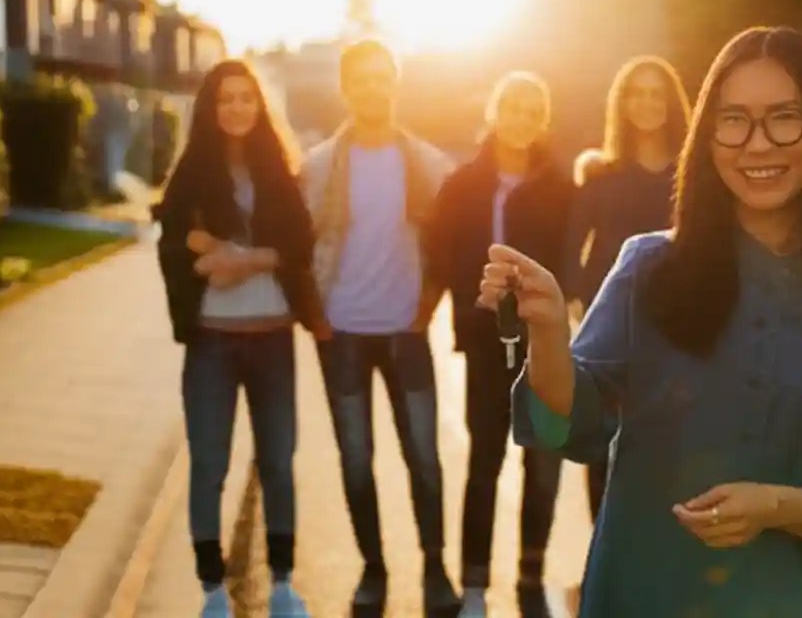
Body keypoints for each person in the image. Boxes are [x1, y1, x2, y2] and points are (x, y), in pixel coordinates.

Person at [480, 27, 802, 616]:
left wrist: (777, 506)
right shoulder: (649, 269)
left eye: (785, 117)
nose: (756, 144)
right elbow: (570, 429)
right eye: (732, 119)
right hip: (647, 593)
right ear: (707, 138)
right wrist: (548, 335)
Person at [298, 40, 459, 616]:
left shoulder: (428, 164)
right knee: (355, 458)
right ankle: (373, 569)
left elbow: (447, 246)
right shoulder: (318, 167)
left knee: (423, 456)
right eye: (360, 80)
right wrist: (313, 317)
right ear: (346, 89)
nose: (373, 89)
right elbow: (298, 246)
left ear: (396, 84)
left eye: (382, 78)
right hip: (341, 334)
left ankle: (437, 569)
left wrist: (429, 305)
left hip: (406, 334)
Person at [155, 60, 321, 618]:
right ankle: (210, 591)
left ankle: (281, 586)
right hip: (213, 343)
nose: (236, 108)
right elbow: (173, 243)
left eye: (246, 98)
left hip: (272, 338)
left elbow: (300, 243)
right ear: (210, 106)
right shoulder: (191, 174)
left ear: (260, 106)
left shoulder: (277, 170)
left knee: (278, 460)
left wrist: (241, 258)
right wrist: (208, 263)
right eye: (226, 99)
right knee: (209, 465)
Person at [421, 71, 573, 618]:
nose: (522, 118)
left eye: (534, 110)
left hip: (543, 344)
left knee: (543, 462)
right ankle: (477, 589)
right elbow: (443, 255)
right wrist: (464, 309)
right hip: (486, 345)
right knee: (485, 460)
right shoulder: (463, 183)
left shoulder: (560, 187)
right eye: (513, 107)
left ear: (543, 121)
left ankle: (530, 582)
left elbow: (571, 259)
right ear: (495, 112)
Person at [563, 55, 691, 522]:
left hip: (680, 334)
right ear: (621, 103)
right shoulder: (601, 173)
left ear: (671, 102)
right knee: (605, 451)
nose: (646, 103)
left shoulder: (694, 173)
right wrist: (583, 309)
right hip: (611, 336)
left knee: (669, 454)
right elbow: (570, 251)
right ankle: (604, 558)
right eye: (636, 93)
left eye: (656, 92)